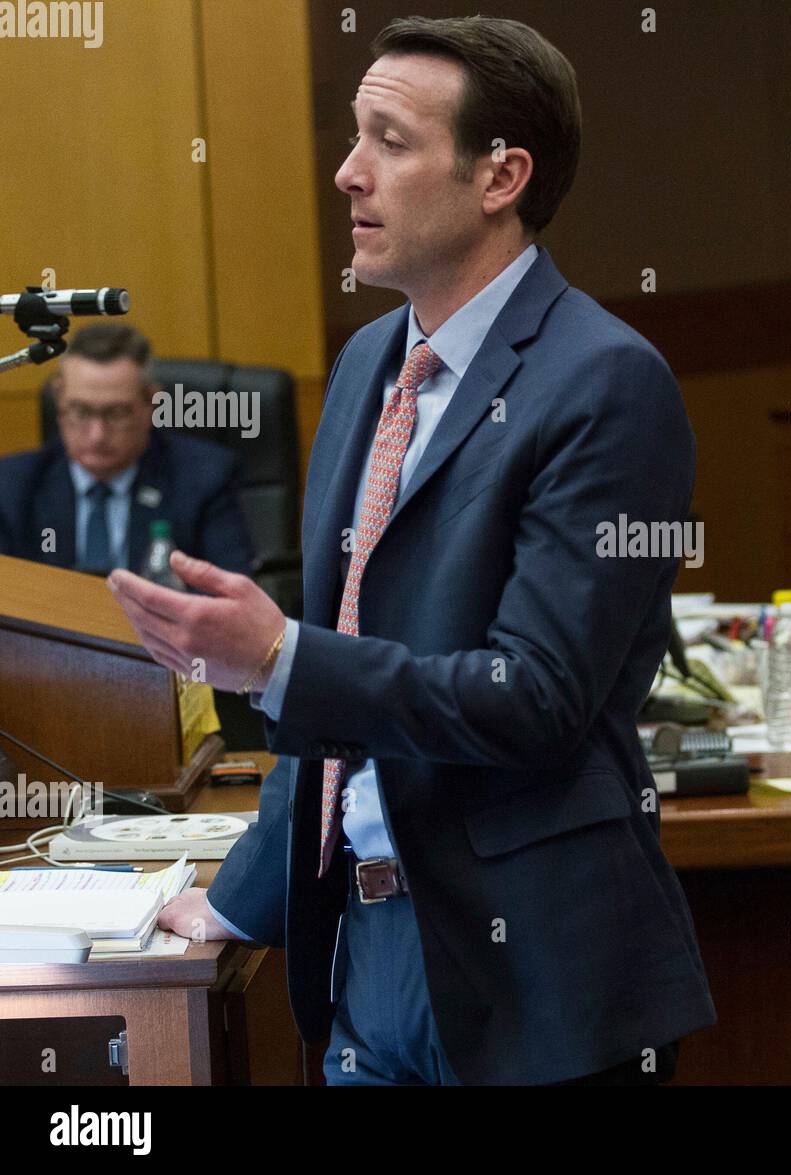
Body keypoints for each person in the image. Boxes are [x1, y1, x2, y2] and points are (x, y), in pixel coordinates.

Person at [107, 15, 715, 1085]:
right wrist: (248, 889)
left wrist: (278, 659)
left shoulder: (605, 382)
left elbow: (537, 697)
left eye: (389, 140)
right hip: (363, 943)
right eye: (355, 137)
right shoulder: (364, 365)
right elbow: (347, 657)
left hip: (528, 970)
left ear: (500, 176)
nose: (347, 174)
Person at [0, 323, 253, 576]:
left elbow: (229, 594)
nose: (97, 434)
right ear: (59, 401)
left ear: (151, 405)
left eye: (116, 413)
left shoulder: (204, 479)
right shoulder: (12, 486)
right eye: (81, 411)